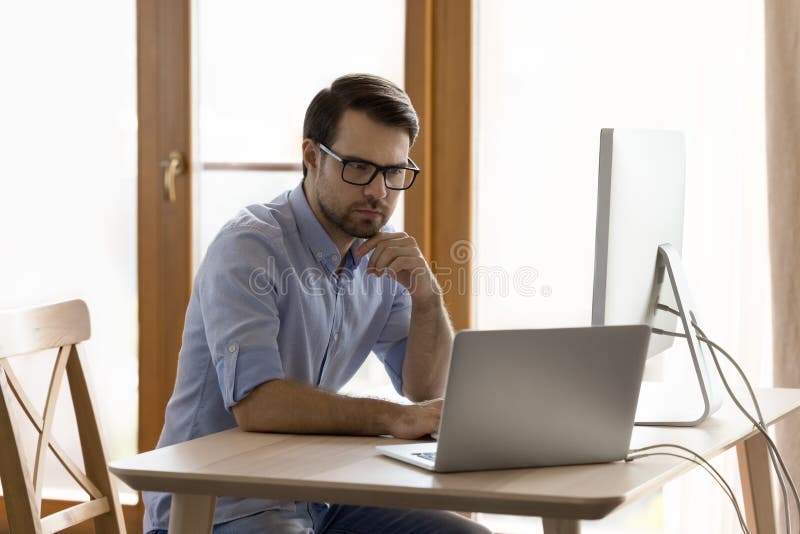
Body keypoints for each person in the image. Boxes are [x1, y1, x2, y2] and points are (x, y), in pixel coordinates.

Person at [143, 74, 490, 533]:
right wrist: (396, 419)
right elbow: (258, 405)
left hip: (317, 499)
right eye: (359, 168)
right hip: (217, 506)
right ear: (311, 157)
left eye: (393, 172)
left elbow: (426, 388)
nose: (379, 192)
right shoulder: (250, 246)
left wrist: (427, 296)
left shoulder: (380, 256)